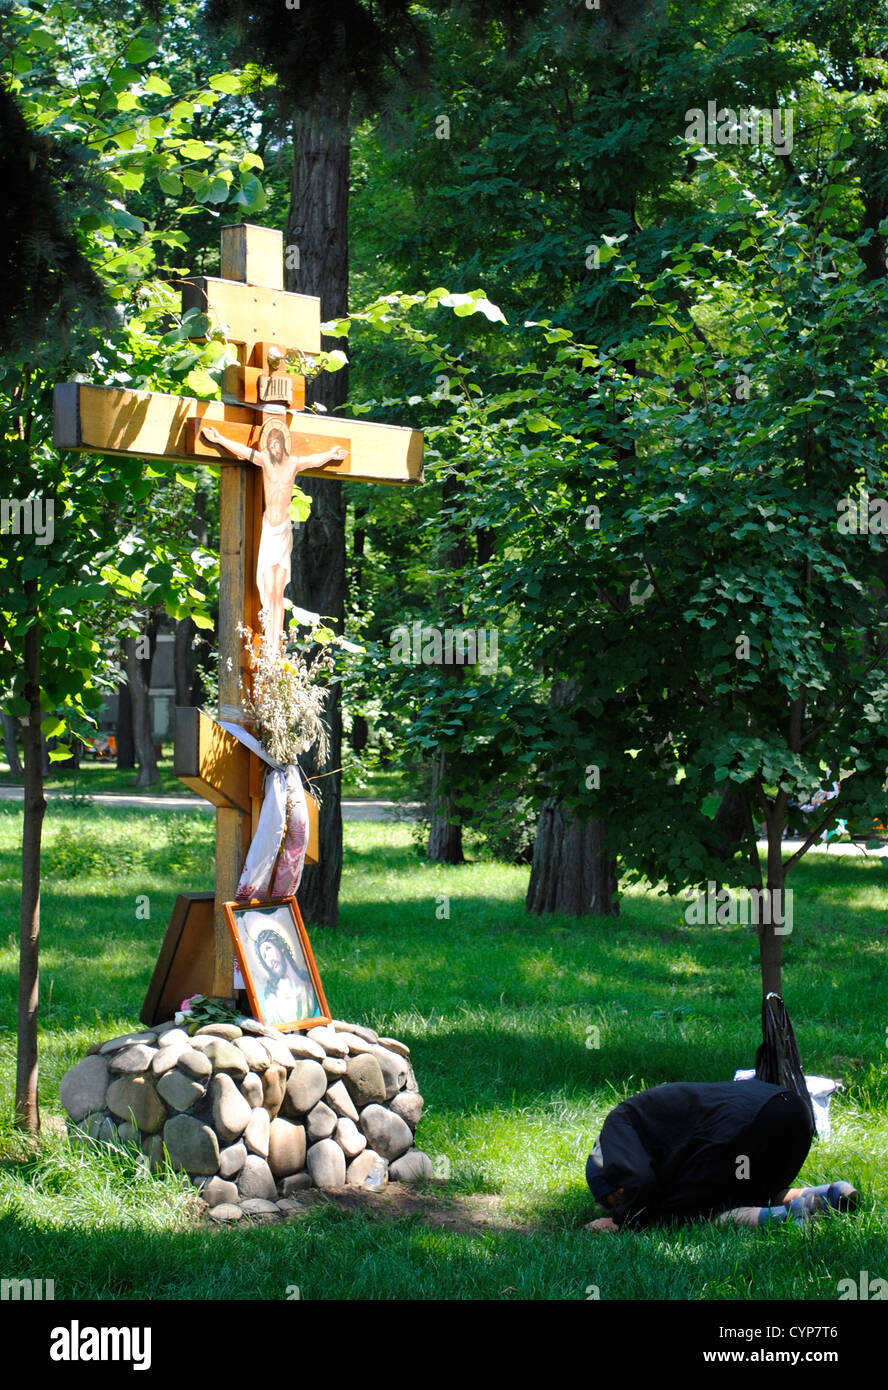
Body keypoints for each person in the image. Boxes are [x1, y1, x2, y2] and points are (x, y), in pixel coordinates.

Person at [585, 1080, 861, 1231]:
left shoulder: (616, 1127)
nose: (622, 1201)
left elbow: (641, 1183)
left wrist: (621, 1221)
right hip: (791, 1110)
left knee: (696, 1213)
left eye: (616, 1197)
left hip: (746, 1126)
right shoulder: (651, 1127)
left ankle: (787, 1218)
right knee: (756, 1192)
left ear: (609, 1169)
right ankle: (830, 1194)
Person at [201, 421, 347, 648]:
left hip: (284, 531)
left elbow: (315, 459)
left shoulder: (293, 464)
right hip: (269, 528)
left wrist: (331, 453)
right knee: (268, 587)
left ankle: (276, 640)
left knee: (278, 590)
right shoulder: (264, 461)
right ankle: (269, 636)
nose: (274, 447)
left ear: (284, 444)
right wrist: (219, 439)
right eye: (270, 443)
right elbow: (243, 451)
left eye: (277, 443)